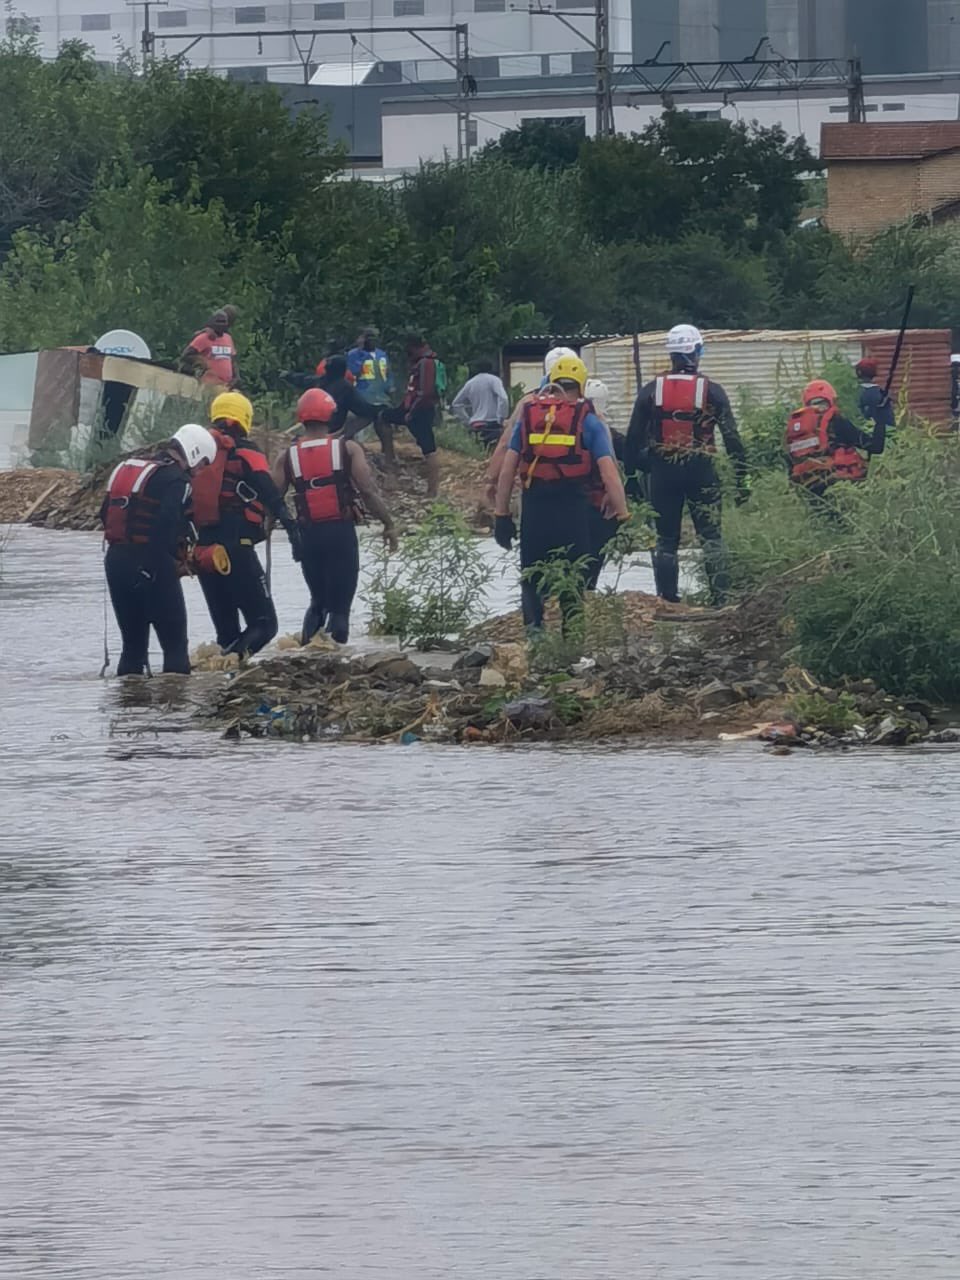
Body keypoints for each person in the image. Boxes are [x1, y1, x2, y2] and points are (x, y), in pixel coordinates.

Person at [494, 355, 629, 633]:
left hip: (534, 508)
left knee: (531, 577)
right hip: (572, 507)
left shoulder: (530, 416)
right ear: (581, 387)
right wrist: (623, 513)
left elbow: (507, 471)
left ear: (551, 382)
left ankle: (535, 637)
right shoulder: (587, 421)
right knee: (574, 576)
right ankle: (572, 646)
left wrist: (501, 514)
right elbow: (609, 472)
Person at [624, 323, 747, 606]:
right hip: (702, 470)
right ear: (696, 352)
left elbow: (632, 441)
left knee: (666, 539)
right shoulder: (712, 391)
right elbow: (733, 441)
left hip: (663, 473)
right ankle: (721, 600)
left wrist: (631, 480)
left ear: (672, 355)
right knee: (712, 537)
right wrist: (743, 480)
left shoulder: (650, 391)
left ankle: (668, 601)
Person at [273, 389, 397, 646]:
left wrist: (263, 529)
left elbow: (273, 500)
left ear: (302, 418)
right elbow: (368, 491)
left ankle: (306, 655)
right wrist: (389, 524)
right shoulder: (347, 449)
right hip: (340, 533)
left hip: (308, 536)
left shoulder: (287, 456)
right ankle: (337, 663)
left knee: (318, 602)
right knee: (340, 608)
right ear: (331, 415)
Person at [100, 424, 218, 676]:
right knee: (175, 647)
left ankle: (130, 709)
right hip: (151, 563)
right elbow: (166, 525)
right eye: (203, 463)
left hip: (116, 562)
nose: (200, 471)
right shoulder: (177, 479)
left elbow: (104, 514)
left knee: (132, 648)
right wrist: (172, 561)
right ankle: (174, 713)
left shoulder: (129, 468)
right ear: (194, 452)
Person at [191, 391, 301, 658]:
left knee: (226, 632)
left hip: (204, 550)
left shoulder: (197, 454)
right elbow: (269, 493)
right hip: (237, 545)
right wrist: (293, 531)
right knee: (264, 624)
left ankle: (221, 683)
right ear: (244, 419)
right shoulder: (245, 451)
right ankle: (229, 667)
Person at [485, 346, 578, 506]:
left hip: (536, 491)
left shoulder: (528, 404)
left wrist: (491, 481)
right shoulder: (587, 407)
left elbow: (505, 445)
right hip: (578, 492)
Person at [786, 378, 885, 499]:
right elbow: (875, 447)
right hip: (839, 486)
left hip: (808, 490)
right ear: (831, 399)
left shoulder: (795, 429)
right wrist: (881, 420)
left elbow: (791, 464)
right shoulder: (836, 422)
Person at [380, 334, 445, 497]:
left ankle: (433, 490)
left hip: (420, 410)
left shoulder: (426, 363)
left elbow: (425, 392)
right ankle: (390, 461)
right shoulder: (422, 362)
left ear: (415, 348)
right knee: (382, 417)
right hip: (412, 408)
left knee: (429, 449)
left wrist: (411, 412)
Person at [583, 376, 627, 591]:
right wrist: (623, 512)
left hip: (569, 501)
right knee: (593, 559)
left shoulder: (571, 424)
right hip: (600, 504)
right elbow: (612, 472)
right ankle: (587, 592)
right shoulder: (603, 429)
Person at [281, 356, 378, 434]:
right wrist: (378, 409)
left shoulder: (319, 381)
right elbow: (363, 409)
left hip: (312, 423)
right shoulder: (346, 387)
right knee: (364, 416)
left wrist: (288, 375)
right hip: (333, 427)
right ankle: (344, 437)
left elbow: (302, 379)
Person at [451, 360, 509, 449]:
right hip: (492, 424)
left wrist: (467, 421)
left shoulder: (471, 383)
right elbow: (503, 398)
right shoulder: (494, 380)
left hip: (475, 425)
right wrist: (501, 417)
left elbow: (456, 403)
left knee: (479, 452)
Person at [180, 306, 239, 388]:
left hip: (225, 385)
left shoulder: (228, 338)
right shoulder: (205, 336)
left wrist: (235, 377)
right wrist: (201, 361)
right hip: (209, 383)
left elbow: (232, 360)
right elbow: (186, 355)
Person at [346, 328, 393, 411]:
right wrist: (362, 354)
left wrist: (390, 386)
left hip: (381, 395)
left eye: (374, 338)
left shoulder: (381, 354)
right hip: (363, 395)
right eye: (368, 338)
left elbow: (388, 372)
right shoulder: (354, 354)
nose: (371, 341)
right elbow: (352, 374)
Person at [855, 359, 895, 434]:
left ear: (858, 373)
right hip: (883, 438)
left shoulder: (853, 393)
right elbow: (890, 423)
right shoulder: (882, 394)